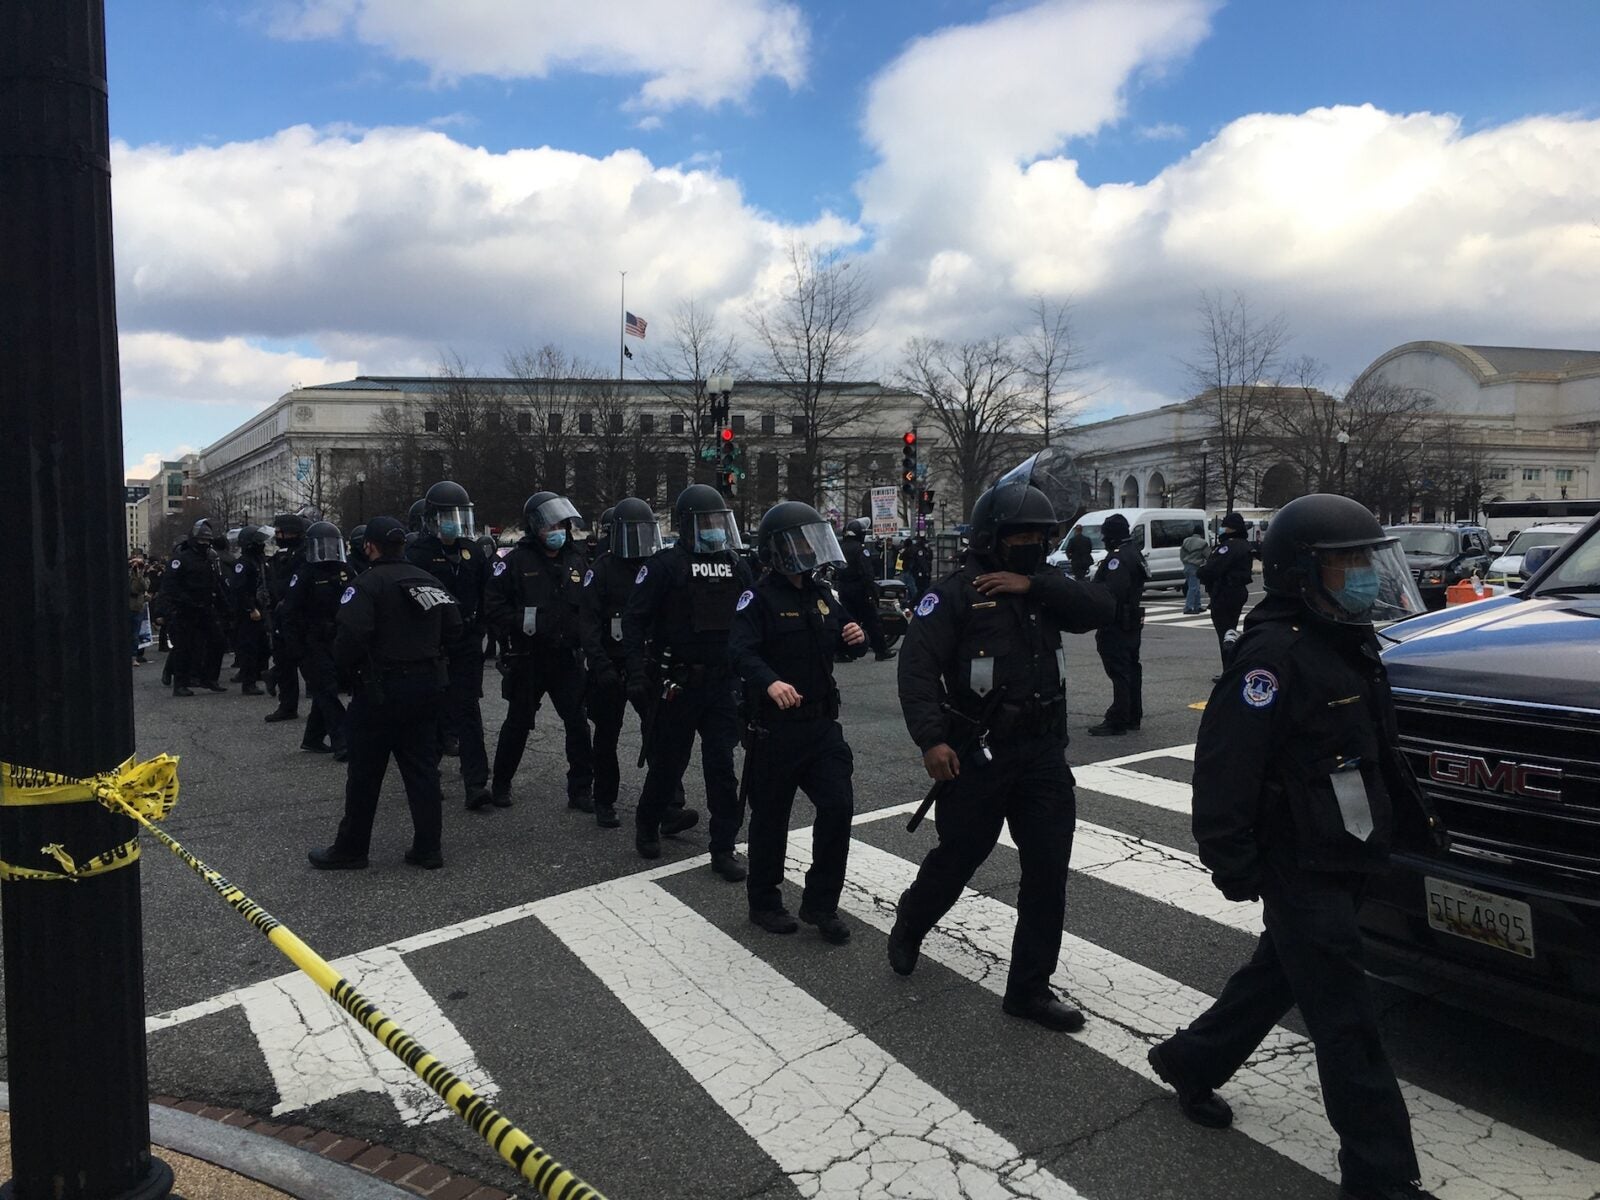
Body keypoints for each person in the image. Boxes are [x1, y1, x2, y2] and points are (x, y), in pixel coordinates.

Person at [1146, 494, 1443, 1200]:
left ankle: (1192, 1059)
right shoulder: (1274, 657)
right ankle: (1379, 1177)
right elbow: (1225, 766)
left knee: (1278, 973)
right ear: (1299, 573)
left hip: (1345, 848)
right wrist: (1233, 861)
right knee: (1347, 1019)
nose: (1366, 575)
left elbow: (1374, 751)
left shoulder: (1345, 639)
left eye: (1369, 560)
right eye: (1348, 562)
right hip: (1297, 858)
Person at [892, 478, 1115, 1030]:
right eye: (1021, 536)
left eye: (1040, 536)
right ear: (993, 535)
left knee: (1047, 872)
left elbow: (1098, 608)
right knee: (960, 856)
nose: (1032, 544)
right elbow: (917, 670)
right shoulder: (953, 593)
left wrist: (1033, 584)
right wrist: (932, 740)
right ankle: (912, 920)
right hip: (979, 754)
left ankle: (1029, 990)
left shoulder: (1041, 586)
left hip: (1041, 754)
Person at [730, 502, 867, 940]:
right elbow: (741, 650)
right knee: (771, 818)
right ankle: (765, 902)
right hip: (776, 728)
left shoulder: (821, 594)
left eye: (812, 540)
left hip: (822, 726)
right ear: (776, 549)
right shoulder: (759, 597)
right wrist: (769, 683)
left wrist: (856, 638)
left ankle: (821, 904)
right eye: (798, 541)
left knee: (838, 807)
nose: (808, 549)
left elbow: (847, 641)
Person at [309, 516, 461, 871]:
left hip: (380, 689)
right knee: (422, 770)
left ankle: (352, 848)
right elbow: (454, 626)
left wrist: (349, 671)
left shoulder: (367, 584)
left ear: (369, 547)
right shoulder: (428, 579)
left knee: (364, 773)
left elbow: (350, 637)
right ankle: (428, 848)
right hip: (425, 685)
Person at [623, 484, 755, 875]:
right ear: (687, 525)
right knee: (668, 763)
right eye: (707, 522)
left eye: (719, 520)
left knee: (721, 767)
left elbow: (751, 616)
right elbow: (634, 619)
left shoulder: (736, 564)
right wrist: (634, 670)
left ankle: (723, 846)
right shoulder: (665, 565)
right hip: (678, 682)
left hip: (721, 684)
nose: (715, 528)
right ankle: (649, 824)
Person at [482, 491, 594, 811]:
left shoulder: (576, 559)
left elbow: (588, 604)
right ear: (535, 527)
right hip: (530, 656)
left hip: (566, 657)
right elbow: (494, 605)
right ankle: (501, 784)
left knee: (577, 723)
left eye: (561, 524)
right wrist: (521, 623)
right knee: (518, 722)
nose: (557, 530)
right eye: (550, 525)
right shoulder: (517, 561)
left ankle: (581, 789)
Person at [579, 497, 670, 830]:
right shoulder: (601, 570)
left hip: (646, 664)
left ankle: (668, 800)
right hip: (611, 665)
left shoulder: (655, 567)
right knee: (607, 736)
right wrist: (600, 665)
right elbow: (588, 624)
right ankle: (605, 800)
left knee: (659, 731)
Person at [407, 481, 493, 810]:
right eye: (446, 516)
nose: (453, 523)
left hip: (467, 643)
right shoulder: (419, 553)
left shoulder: (471, 552)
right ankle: (428, 777)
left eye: (458, 516)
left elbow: (488, 592)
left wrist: (481, 626)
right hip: (433, 645)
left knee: (468, 713)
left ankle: (475, 784)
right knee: (429, 713)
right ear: (432, 519)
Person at [278, 521, 355, 759]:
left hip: (336, 639)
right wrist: (295, 649)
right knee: (327, 690)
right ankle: (342, 741)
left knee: (326, 690)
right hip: (311, 640)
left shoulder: (344, 570)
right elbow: (289, 612)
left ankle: (312, 738)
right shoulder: (304, 573)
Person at [1089, 512, 1147, 737]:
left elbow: (1112, 591)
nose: (1103, 539)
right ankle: (1133, 713)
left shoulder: (1118, 557)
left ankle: (1118, 718)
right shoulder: (1134, 552)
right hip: (1131, 619)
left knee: (1119, 669)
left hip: (1117, 620)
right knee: (1132, 668)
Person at [159, 518, 227, 696]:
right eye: (202, 540)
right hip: (185, 610)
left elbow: (215, 583)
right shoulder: (181, 559)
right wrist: (182, 602)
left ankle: (210, 678)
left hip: (205, 608)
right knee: (184, 647)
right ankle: (180, 683)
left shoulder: (209, 559)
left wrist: (225, 604)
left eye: (207, 540)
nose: (205, 543)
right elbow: (170, 586)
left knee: (218, 642)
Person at [263, 513, 309, 721]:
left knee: (306, 663)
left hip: (298, 615)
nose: (278, 536)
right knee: (284, 662)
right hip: (282, 615)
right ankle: (287, 705)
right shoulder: (281, 556)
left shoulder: (303, 555)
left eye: (281, 532)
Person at [1199, 512, 1255, 674]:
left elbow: (1213, 568)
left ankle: (1229, 670)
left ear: (1231, 528)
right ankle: (1231, 668)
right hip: (1236, 591)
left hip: (1225, 592)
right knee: (1230, 631)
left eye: (1225, 526)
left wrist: (1201, 572)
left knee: (1225, 634)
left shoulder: (1229, 546)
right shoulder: (1244, 544)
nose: (1223, 528)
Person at [836, 519, 894, 661]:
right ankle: (881, 650)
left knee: (847, 621)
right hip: (860, 590)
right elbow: (867, 573)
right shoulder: (860, 549)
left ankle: (841, 652)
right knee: (872, 620)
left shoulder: (840, 547)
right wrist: (872, 593)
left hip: (843, 588)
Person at [227, 526, 271, 694]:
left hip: (261, 608)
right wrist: (250, 608)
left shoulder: (259, 561)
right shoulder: (244, 563)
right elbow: (239, 589)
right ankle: (248, 682)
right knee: (249, 648)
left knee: (263, 647)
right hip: (249, 613)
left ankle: (258, 674)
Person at [1180, 528, 1209, 614]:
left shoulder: (1186, 541)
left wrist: (1185, 561)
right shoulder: (1202, 543)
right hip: (1196, 566)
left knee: (1194, 587)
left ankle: (1197, 606)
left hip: (1186, 566)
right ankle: (1188, 608)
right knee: (1193, 588)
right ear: (1201, 534)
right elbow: (1208, 555)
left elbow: (1182, 554)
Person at [129, 554, 150, 666]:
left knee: (135, 634)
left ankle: (134, 657)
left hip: (137, 607)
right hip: (129, 605)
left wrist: (139, 575)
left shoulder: (143, 576)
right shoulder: (129, 574)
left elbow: (144, 587)